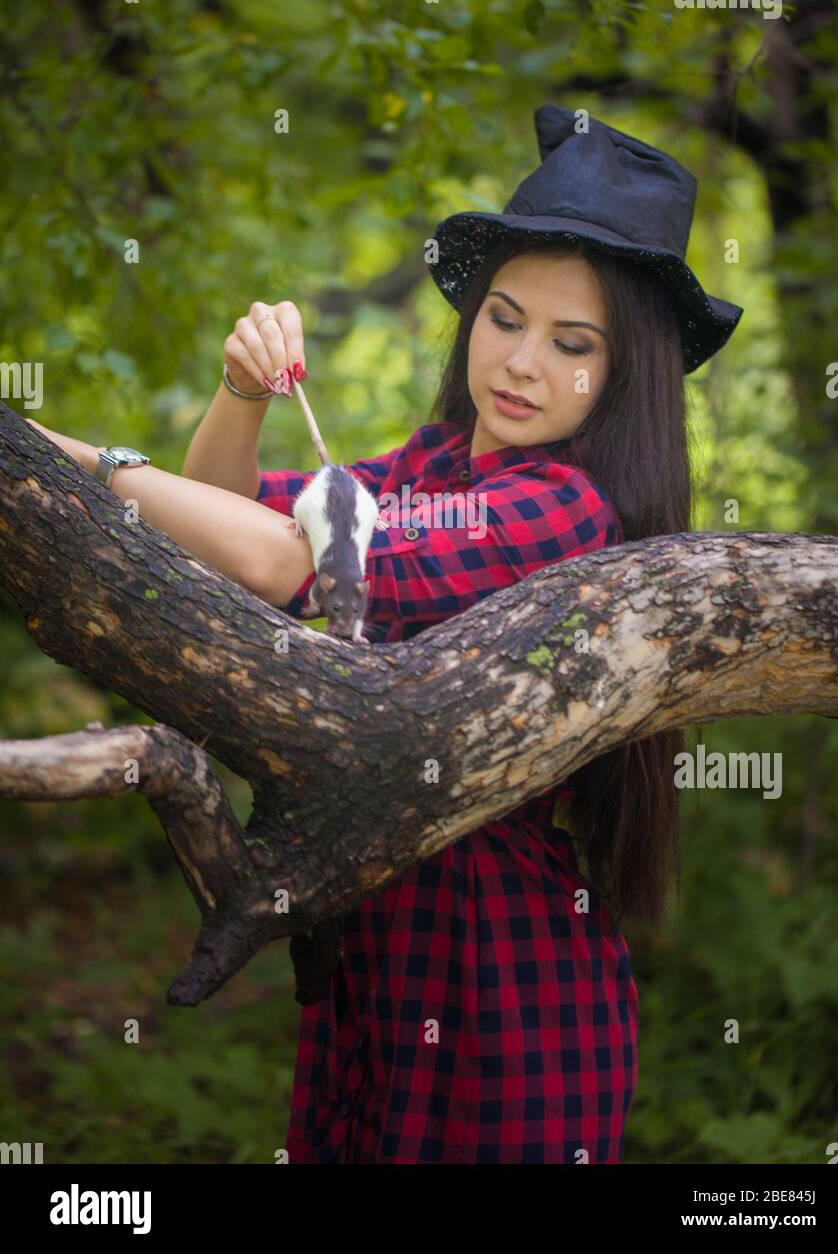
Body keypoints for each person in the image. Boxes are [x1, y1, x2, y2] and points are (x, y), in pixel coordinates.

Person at [26, 106, 744, 1163]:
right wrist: (240, 393)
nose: (520, 361)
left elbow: (278, 556)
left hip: (506, 976)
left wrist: (40, 450)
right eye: (502, 319)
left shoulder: (570, 511)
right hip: (375, 950)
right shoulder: (429, 470)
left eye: (570, 342)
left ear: (623, 369)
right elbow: (217, 539)